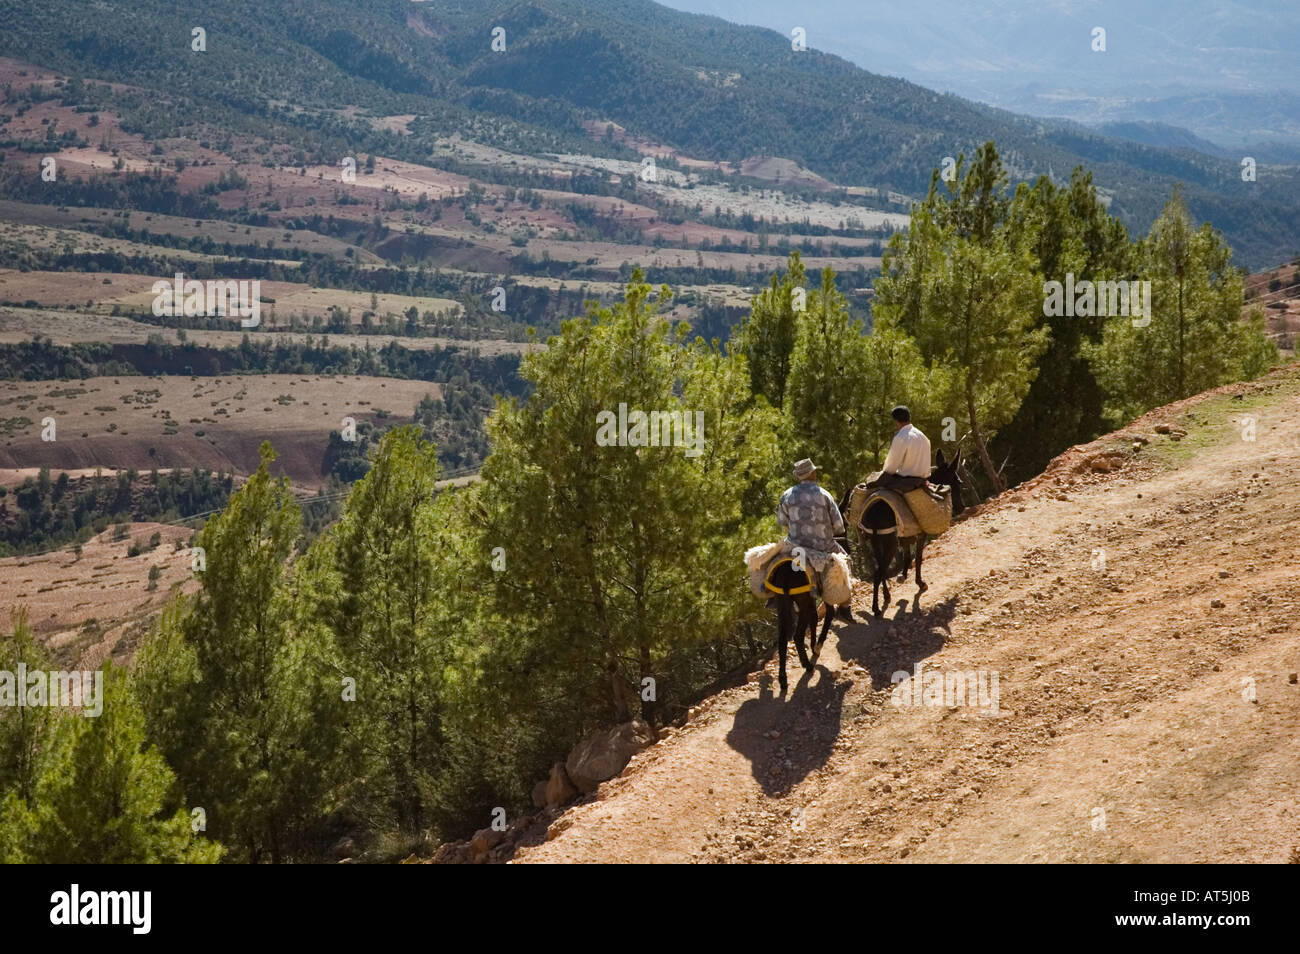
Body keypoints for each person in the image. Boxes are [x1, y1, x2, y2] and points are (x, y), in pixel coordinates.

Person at [869, 405, 931, 493]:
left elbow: (891, 466)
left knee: (870, 487)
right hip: (922, 481)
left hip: (906, 482)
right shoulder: (923, 436)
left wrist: (882, 477)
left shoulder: (901, 437)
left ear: (895, 421)